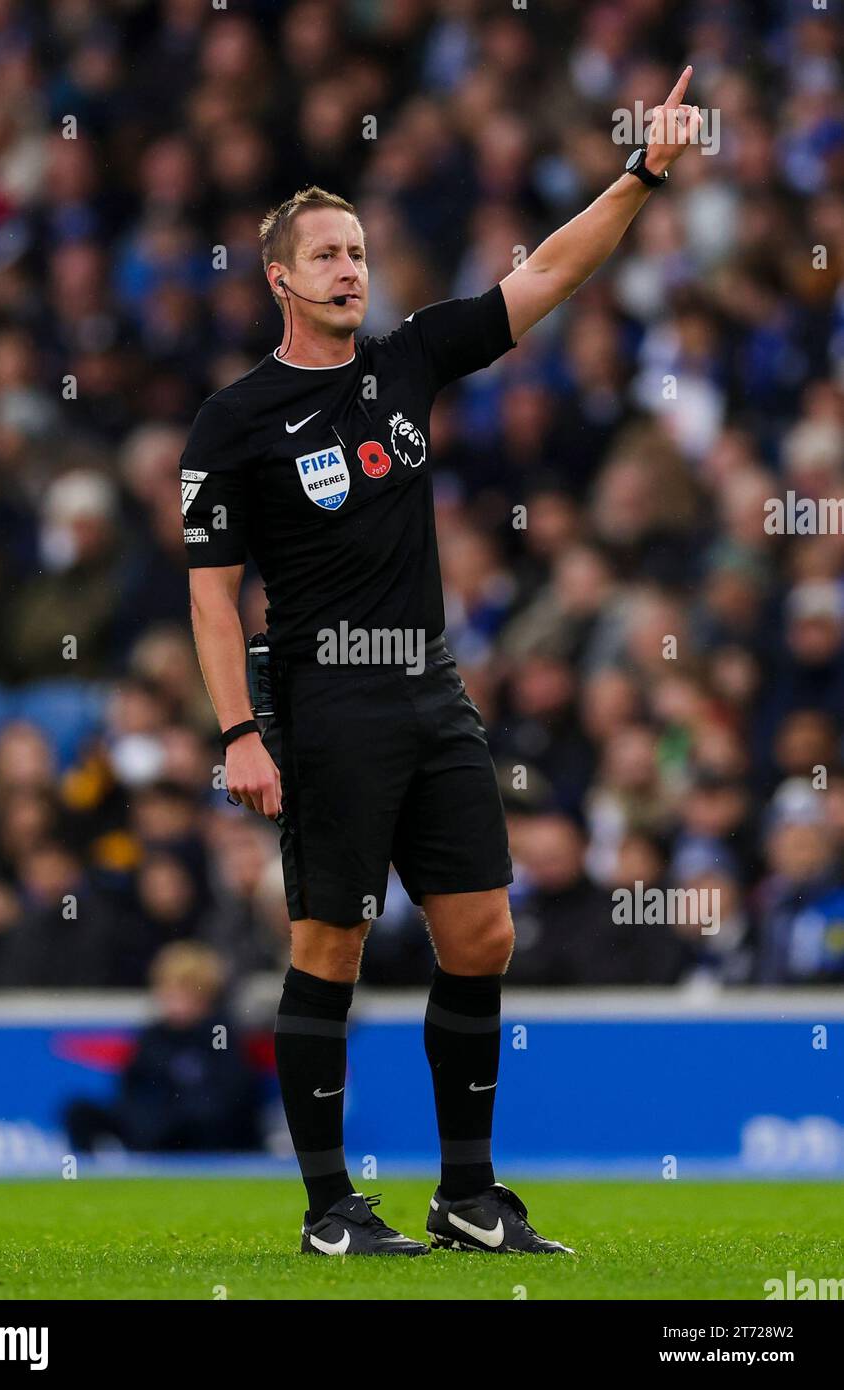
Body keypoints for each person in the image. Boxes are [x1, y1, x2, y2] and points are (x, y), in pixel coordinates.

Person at [181, 70, 702, 1256]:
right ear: (278, 280)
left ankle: (466, 1194)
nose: (350, 270)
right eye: (324, 257)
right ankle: (326, 1210)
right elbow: (212, 602)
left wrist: (639, 172)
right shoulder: (235, 422)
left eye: (357, 252)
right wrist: (236, 732)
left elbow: (549, 273)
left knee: (481, 937)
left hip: (430, 690)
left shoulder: (404, 362)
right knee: (331, 945)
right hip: (323, 708)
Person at [63, 942, 263, 1153]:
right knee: (80, 1111)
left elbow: (231, 1099)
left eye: (183, 990)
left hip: (198, 1133)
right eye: (168, 990)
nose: (174, 1000)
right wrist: (146, 1119)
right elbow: (130, 1089)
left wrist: (172, 1116)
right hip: (153, 1125)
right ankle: (92, 1176)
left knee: (200, 1123)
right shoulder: (153, 1035)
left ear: (205, 995)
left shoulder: (220, 1033)